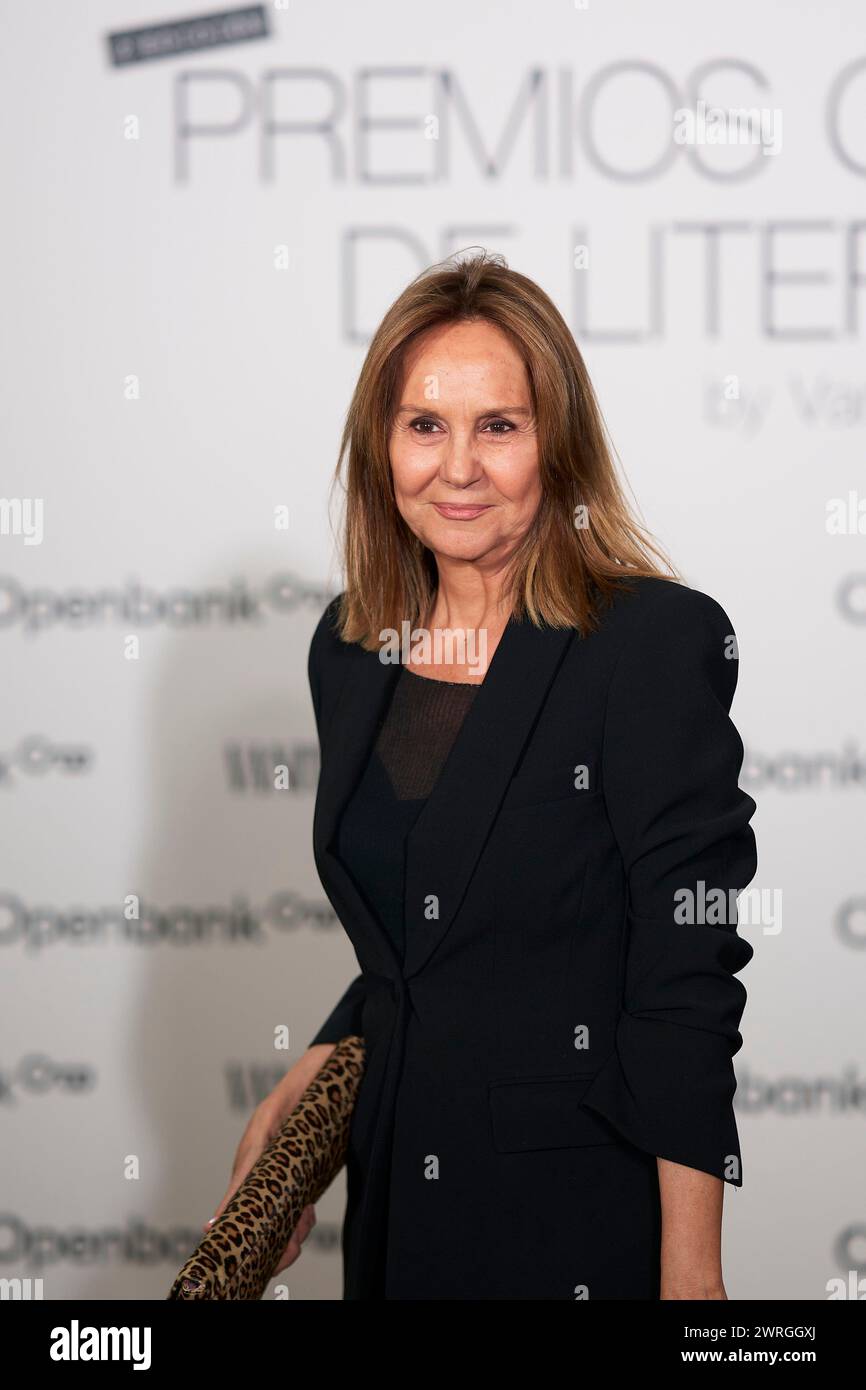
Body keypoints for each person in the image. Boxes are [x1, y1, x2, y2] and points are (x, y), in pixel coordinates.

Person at [211, 250, 758, 1300]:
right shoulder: (349, 646)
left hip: (574, 1218)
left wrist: (690, 1278)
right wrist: (323, 1056)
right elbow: (425, 934)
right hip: (394, 1204)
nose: (456, 466)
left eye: (497, 426)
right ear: (381, 447)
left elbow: (683, 979)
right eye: (424, 424)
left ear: (556, 444)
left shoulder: (647, 644)